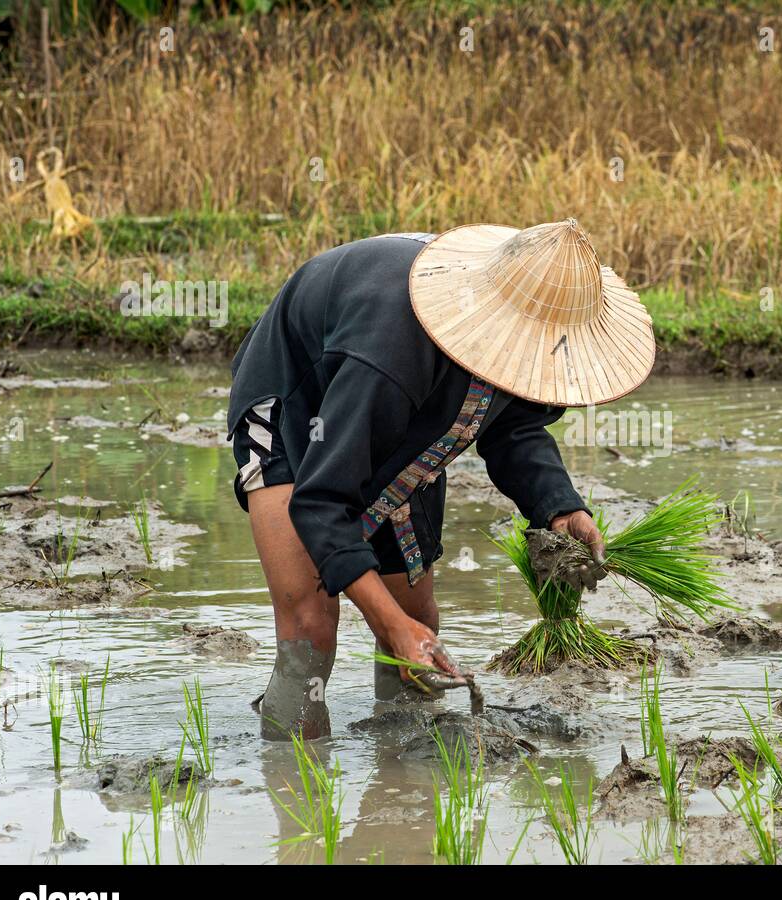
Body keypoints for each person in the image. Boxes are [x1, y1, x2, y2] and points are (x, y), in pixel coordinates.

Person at [227, 219, 655, 739]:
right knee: (311, 627)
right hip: (298, 400)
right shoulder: (389, 348)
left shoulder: (525, 346)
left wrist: (560, 506)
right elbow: (322, 502)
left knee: (418, 618)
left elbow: (513, 427)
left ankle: (404, 774)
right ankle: (295, 782)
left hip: (406, 400)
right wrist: (387, 624)